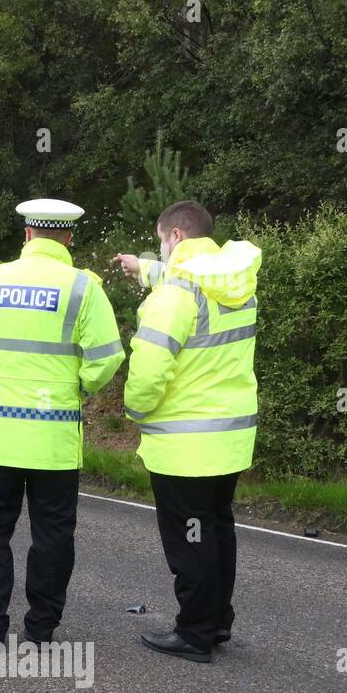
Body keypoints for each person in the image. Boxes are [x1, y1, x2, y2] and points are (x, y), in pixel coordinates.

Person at [0, 199, 125, 648]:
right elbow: (108, 357)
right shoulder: (84, 288)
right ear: (68, 238)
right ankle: (40, 631)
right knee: (53, 538)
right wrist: (78, 389)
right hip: (54, 441)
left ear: (27, 235)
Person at [113, 201, 261, 663]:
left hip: (184, 445)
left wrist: (135, 410)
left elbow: (150, 369)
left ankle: (194, 632)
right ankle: (216, 622)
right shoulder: (235, 282)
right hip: (229, 439)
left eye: (161, 240)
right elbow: (188, 282)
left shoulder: (174, 296)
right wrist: (144, 268)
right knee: (217, 530)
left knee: (190, 539)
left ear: (175, 236)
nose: (161, 248)